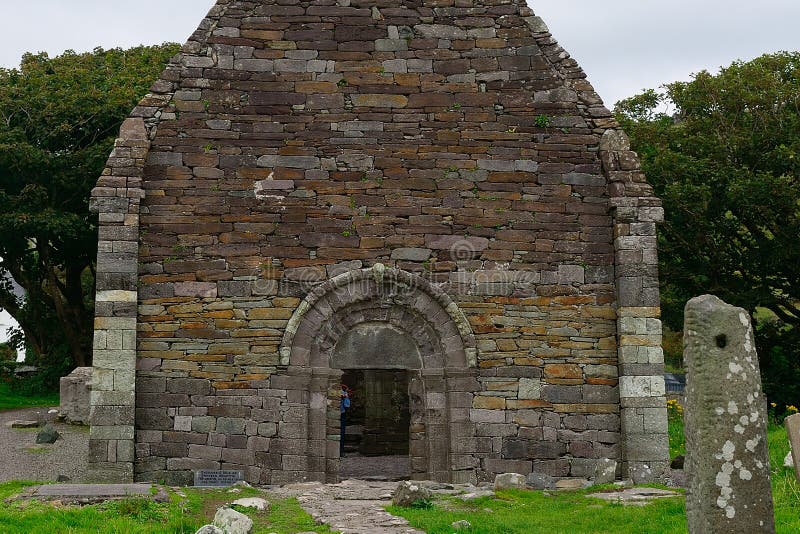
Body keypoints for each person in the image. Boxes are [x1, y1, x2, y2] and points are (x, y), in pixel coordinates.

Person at [340, 384, 350, 455]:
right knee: (342, 432)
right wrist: (346, 395)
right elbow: (347, 405)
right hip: (342, 413)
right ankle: (341, 451)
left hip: (340, 413)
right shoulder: (344, 393)